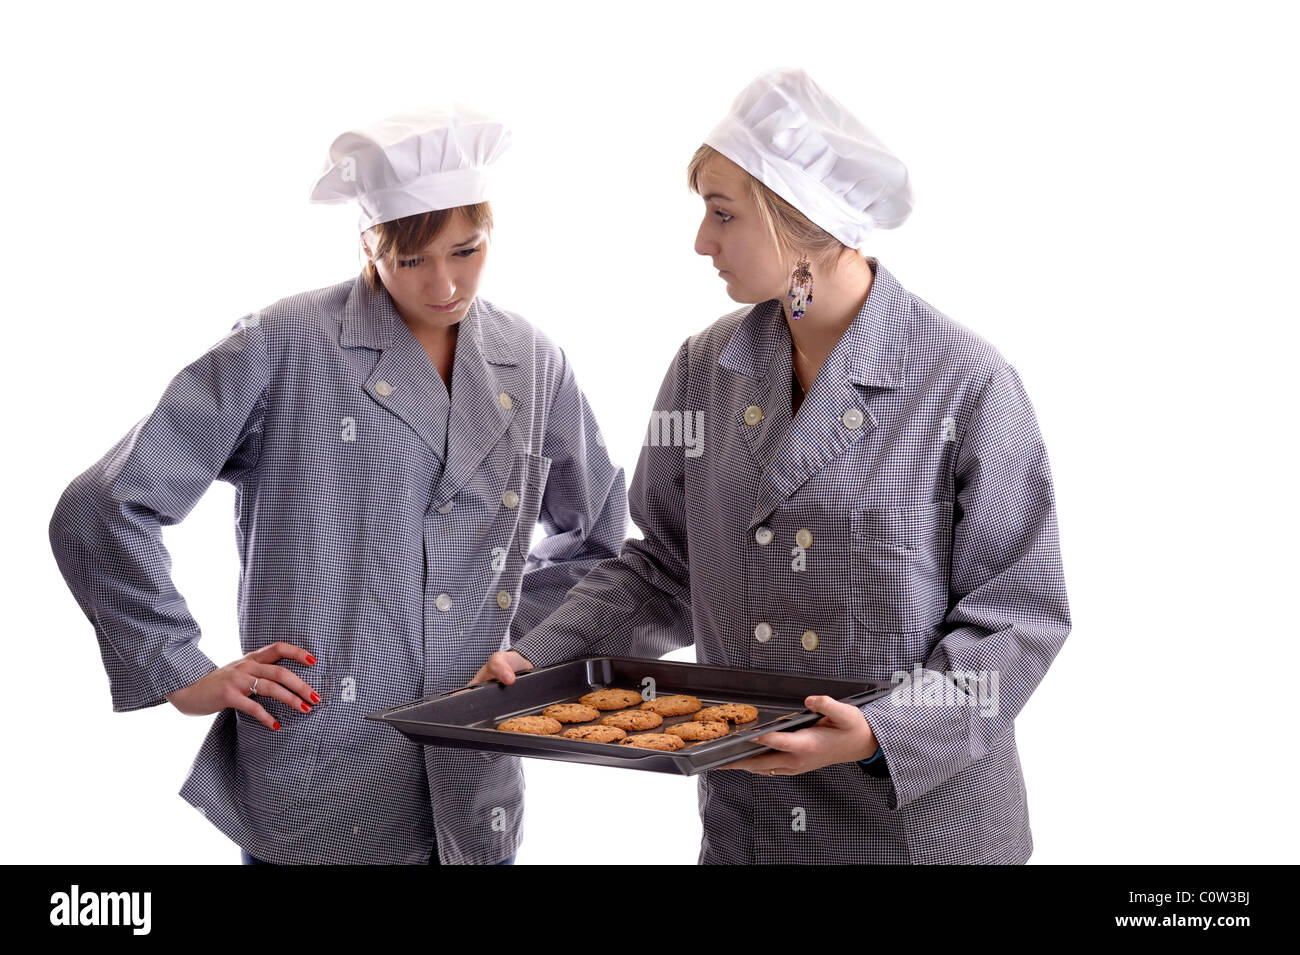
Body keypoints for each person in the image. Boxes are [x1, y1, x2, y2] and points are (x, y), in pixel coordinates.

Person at [477, 68, 1071, 864]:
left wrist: (881, 731)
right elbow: (662, 566)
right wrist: (539, 654)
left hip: (918, 828)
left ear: (805, 224)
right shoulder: (703, 368)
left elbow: (1019, 616)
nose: (701, 240)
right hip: (751, 818)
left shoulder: (967, 383)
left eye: (723, 213)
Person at [48, 106, 628, 864]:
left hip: (473, 772)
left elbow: (599, 540)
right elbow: (103, 506)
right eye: (412, 259)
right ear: (369, 244)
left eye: (468, 249)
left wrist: (527, 648)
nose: (446, 283)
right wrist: (180, 668)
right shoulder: (283, 342)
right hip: (321, 769)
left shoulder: (533, 358)